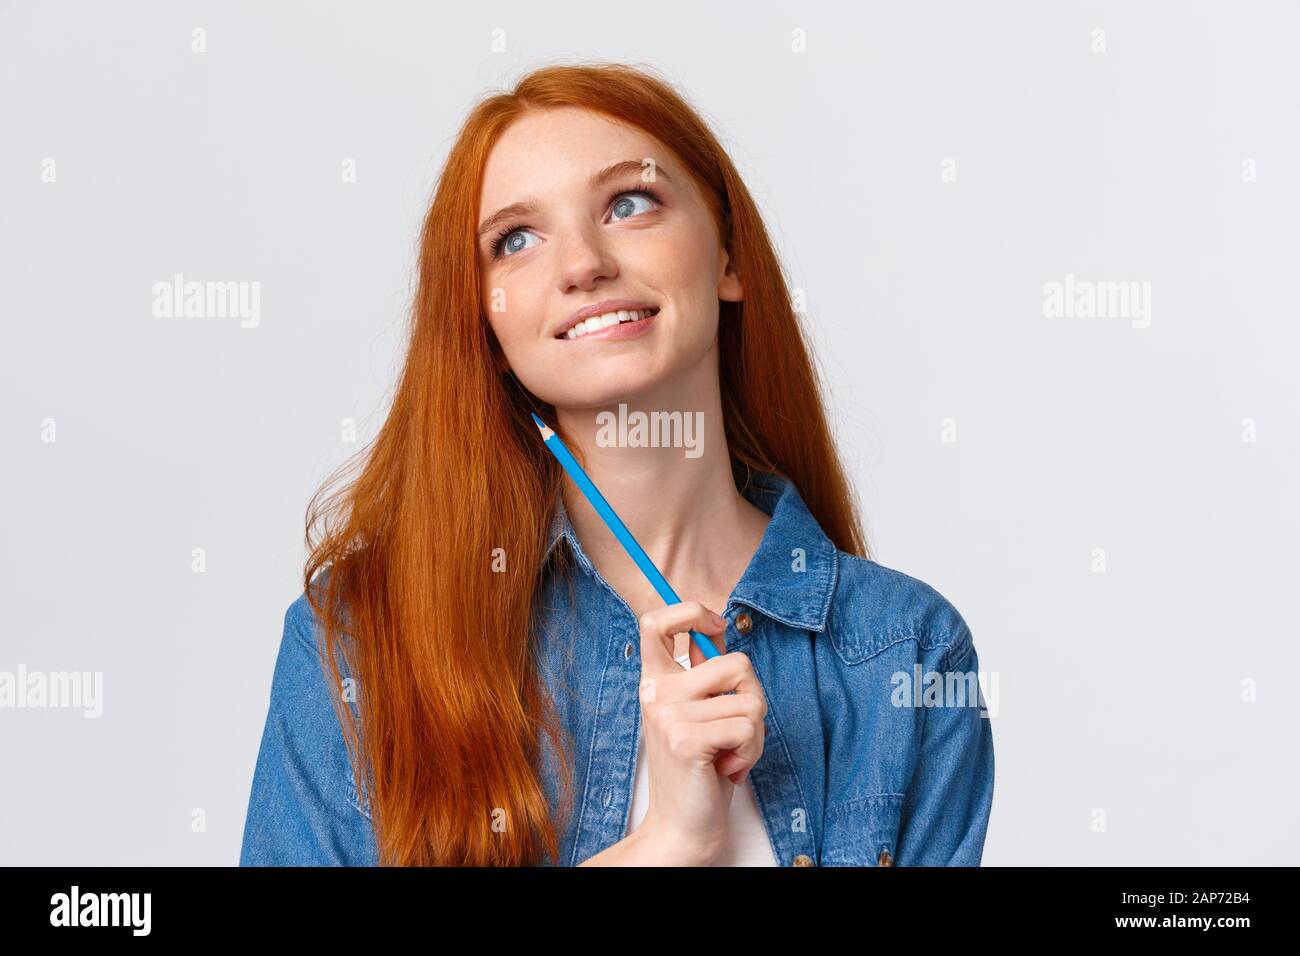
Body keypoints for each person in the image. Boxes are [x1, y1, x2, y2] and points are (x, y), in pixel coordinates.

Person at [239, 61, 994, 867]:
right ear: (486, 328)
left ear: (730, 258)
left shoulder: (906, 652)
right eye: (515, 240)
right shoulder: (358, 639)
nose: (581, 264)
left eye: (629, 203)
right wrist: (665, 843)